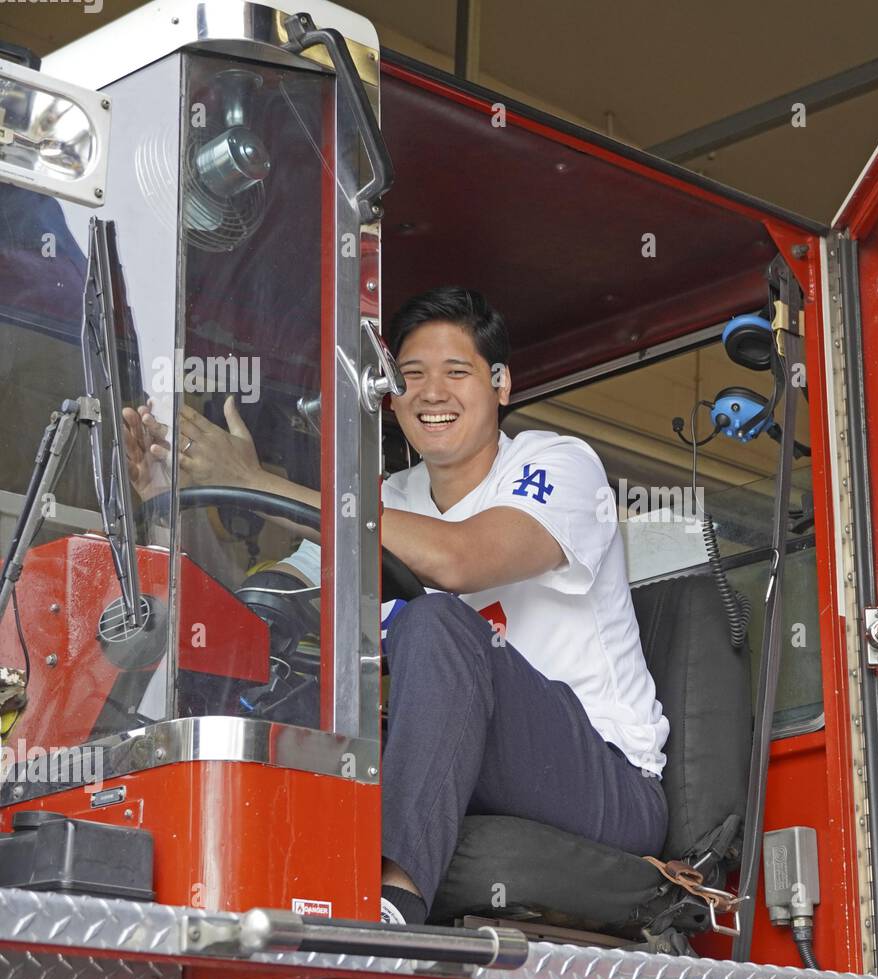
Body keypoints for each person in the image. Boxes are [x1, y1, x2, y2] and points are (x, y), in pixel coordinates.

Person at [123, 287, 670, 925]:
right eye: (411, 376)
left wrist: (256, 481)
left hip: (608, 778)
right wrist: (181, 505)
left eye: (457, 372)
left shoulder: (559, 465)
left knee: (435, 620)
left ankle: (391, 905)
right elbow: (261, 610)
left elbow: (461, 559)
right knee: (289, 678)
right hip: (471, 771)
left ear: (501, 385)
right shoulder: (386, 499)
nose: (431, 393)